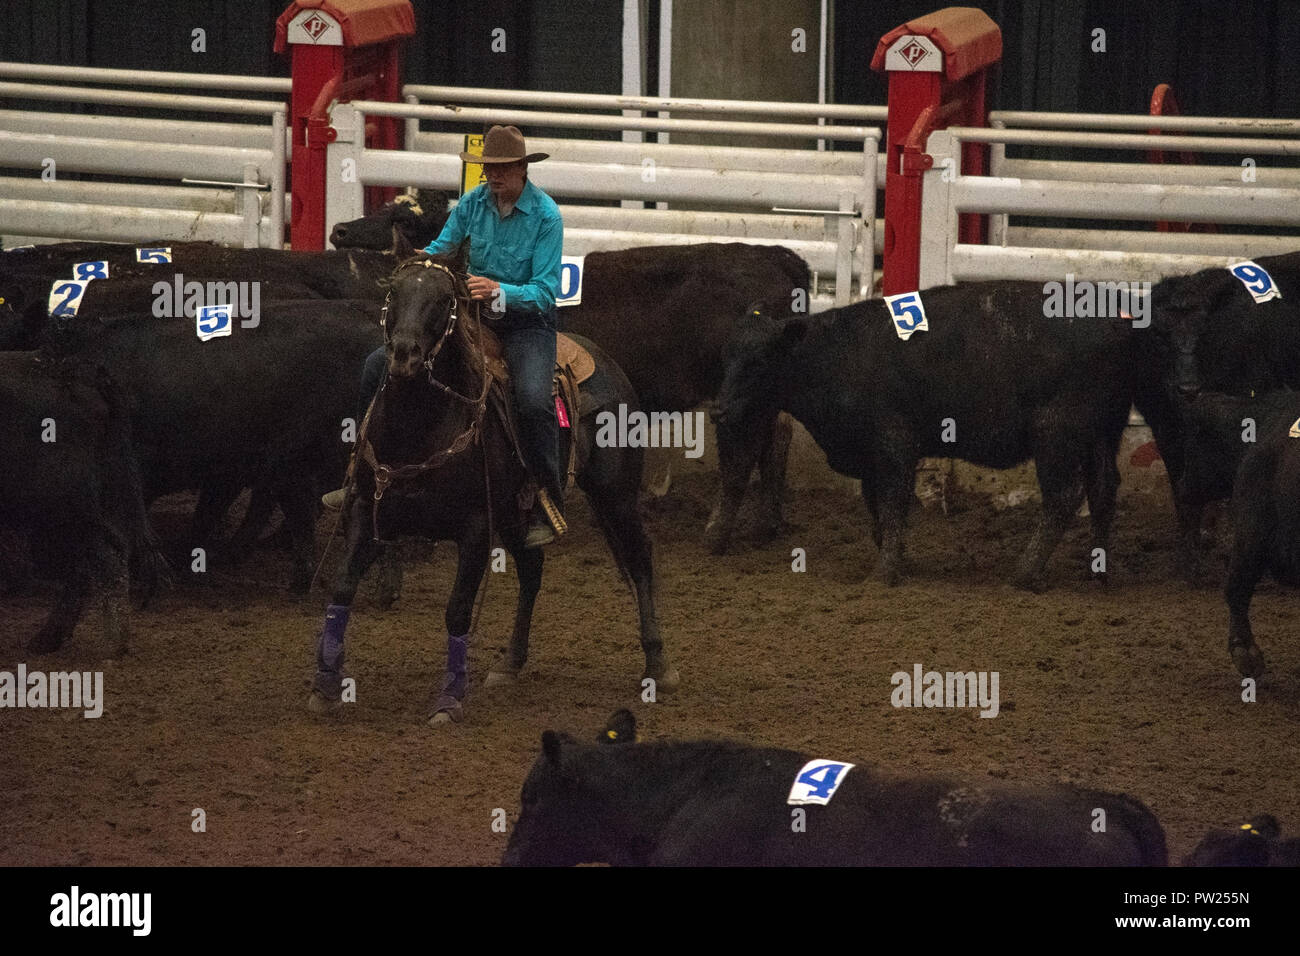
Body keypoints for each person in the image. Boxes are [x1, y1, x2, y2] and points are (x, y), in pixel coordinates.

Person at [323, 125, 566, 548]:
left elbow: (546, 290)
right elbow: (442, 250)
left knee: (532, 399)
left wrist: (499, 290)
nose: (493, 176)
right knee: (376, 366)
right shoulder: (472, 205)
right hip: (473, 316)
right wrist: (416, 263)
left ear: (522, 169)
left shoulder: (546, 217)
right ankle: (359, 471)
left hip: (527, 323)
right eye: (488, 168)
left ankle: (546, 494)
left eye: (503, 169)